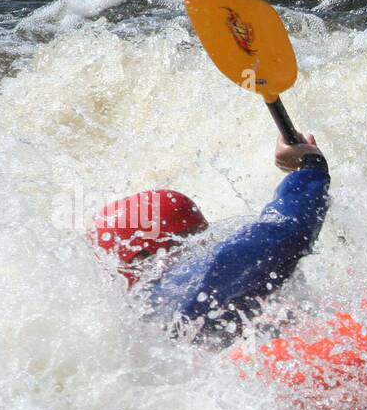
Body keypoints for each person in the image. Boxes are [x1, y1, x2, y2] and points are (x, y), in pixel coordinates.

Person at [90, 134, 329, 343]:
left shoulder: (144, 319)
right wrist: (310, 167)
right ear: (143, 256)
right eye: (188, 238)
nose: (206, 244)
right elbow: (285, 231)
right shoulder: (182, 284)